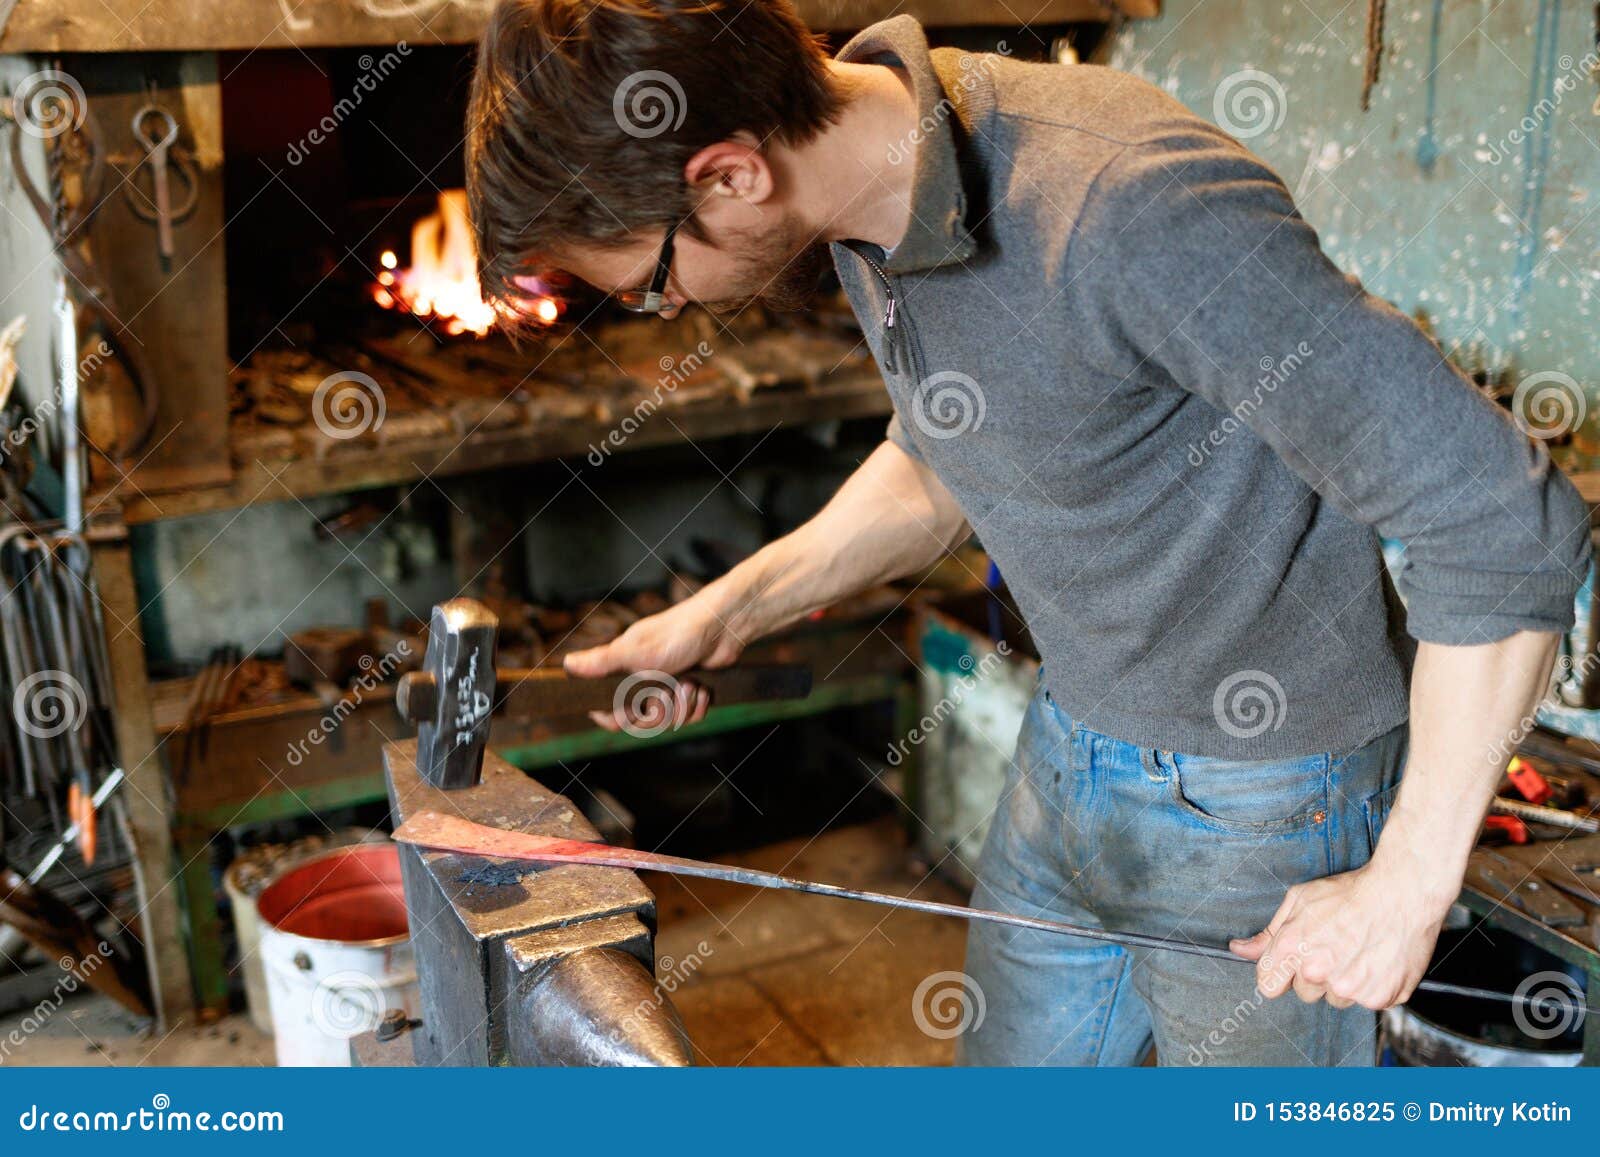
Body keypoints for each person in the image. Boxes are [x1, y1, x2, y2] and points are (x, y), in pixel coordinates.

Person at [464, 0, 1592, 1065]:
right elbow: (941, 461)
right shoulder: (877, 202)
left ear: (732, 174)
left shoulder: (1126, 202)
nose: (665, 307)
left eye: (651, 280)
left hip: (1266, 797)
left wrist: (1407, 883)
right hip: (1069, 742)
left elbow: (1506, 520)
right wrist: (728, 609)